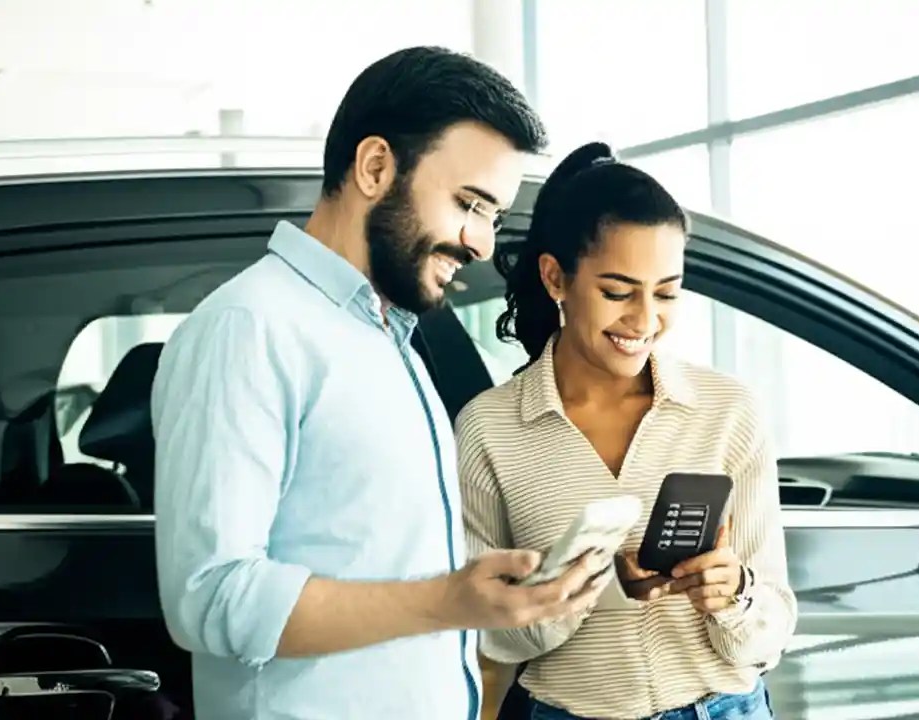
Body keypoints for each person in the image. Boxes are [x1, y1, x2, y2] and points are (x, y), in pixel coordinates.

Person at [151, 47, 613, 720]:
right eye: (469, 203)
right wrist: (449, 601)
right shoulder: (249, 327)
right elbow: (212, 598)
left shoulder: (386, 340)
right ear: (375, 167)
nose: (482, 243)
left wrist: (493, 599)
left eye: (493, 216)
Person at [456, 142, 798, 720]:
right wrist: (594, 586)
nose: (644, 321)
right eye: (617, 292)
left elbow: (770, 634)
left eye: (666, 292)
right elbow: (488, 638)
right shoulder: (490, 430)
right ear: (555, 278)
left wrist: (732, 594)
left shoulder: (728, 412)